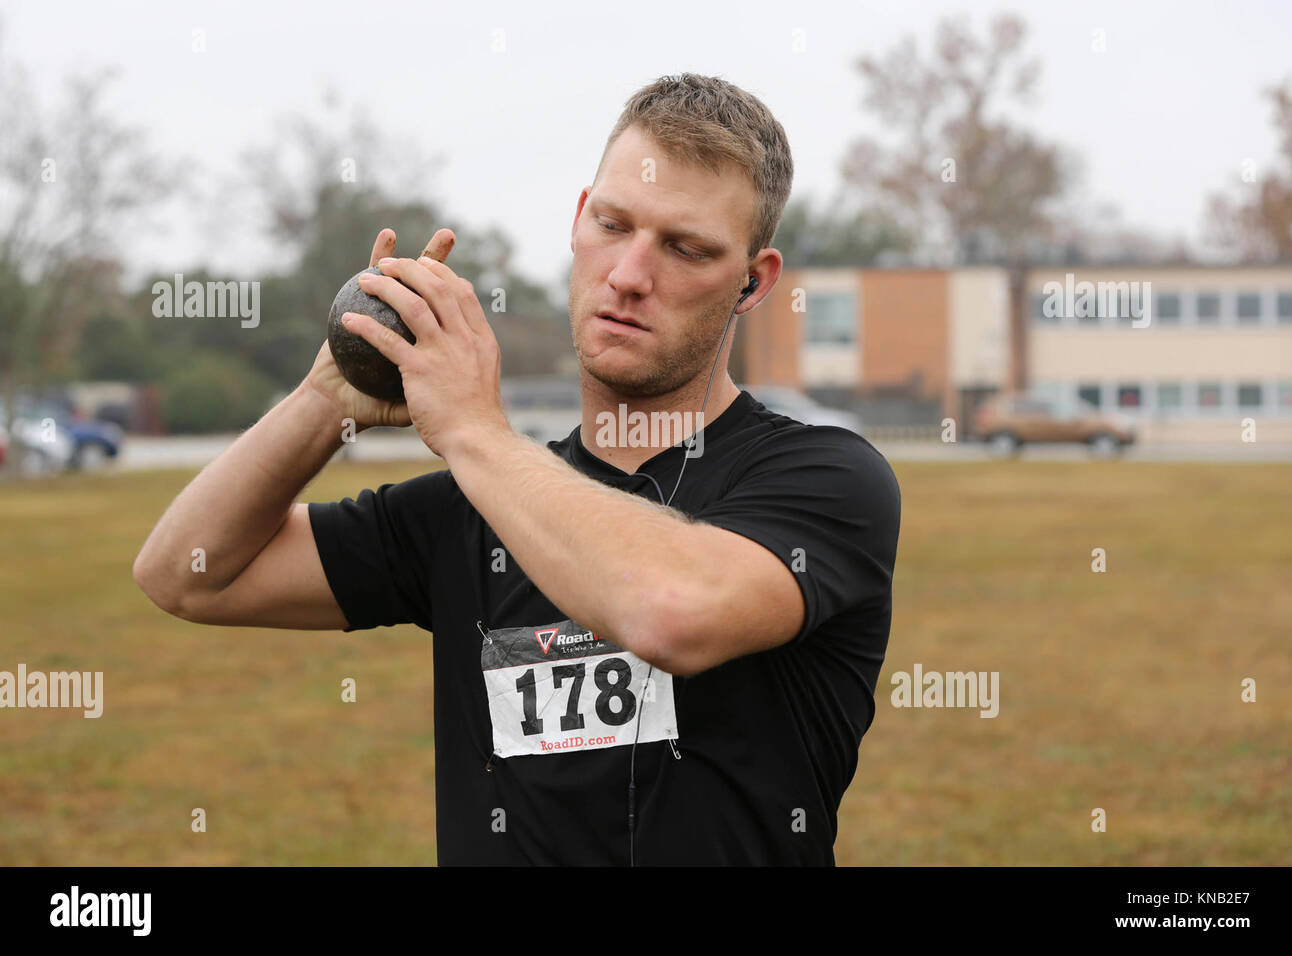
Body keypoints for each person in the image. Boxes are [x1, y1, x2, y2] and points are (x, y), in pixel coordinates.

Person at [133, 73, 901, 866]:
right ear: (577, 221)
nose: (630, 275)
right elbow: (185, 573)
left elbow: (670, 610)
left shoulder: (827, 481)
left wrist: (472, 430)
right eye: (612, 224)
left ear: (754, 281)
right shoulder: (470, 512)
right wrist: (329, 396)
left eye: (686, 248)